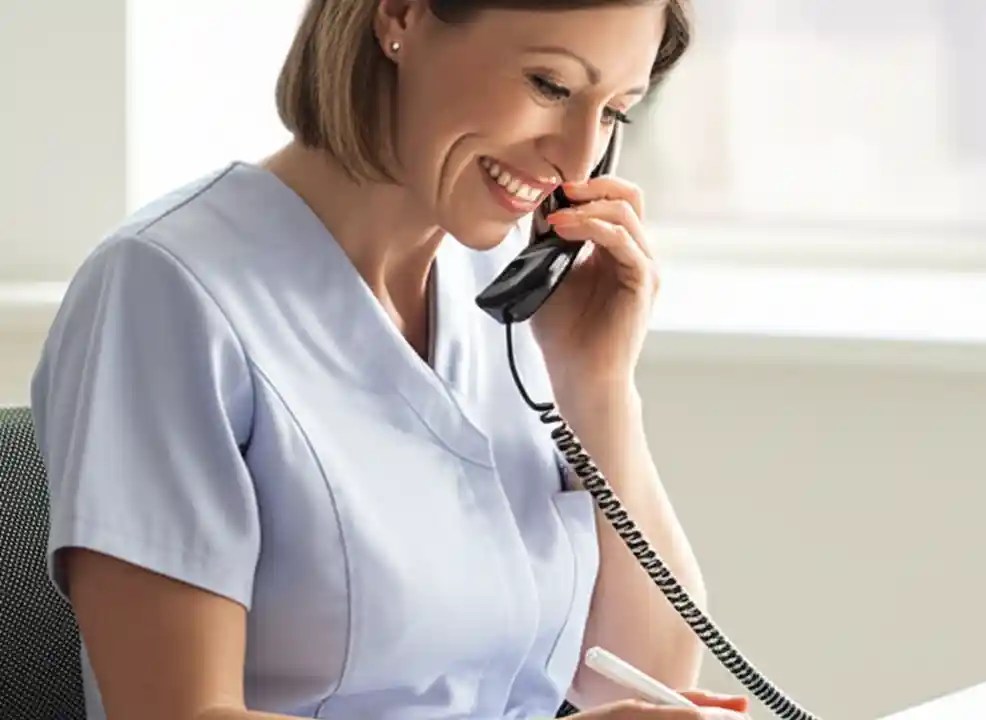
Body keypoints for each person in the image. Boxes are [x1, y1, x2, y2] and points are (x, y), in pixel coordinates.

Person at [29, 1, 750, 718]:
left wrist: (598, 388)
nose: (575, 156)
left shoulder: (513, 291)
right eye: (551, 86)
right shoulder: (164, 289)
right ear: (401, 15)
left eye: (615, 113)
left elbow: (645, 681)